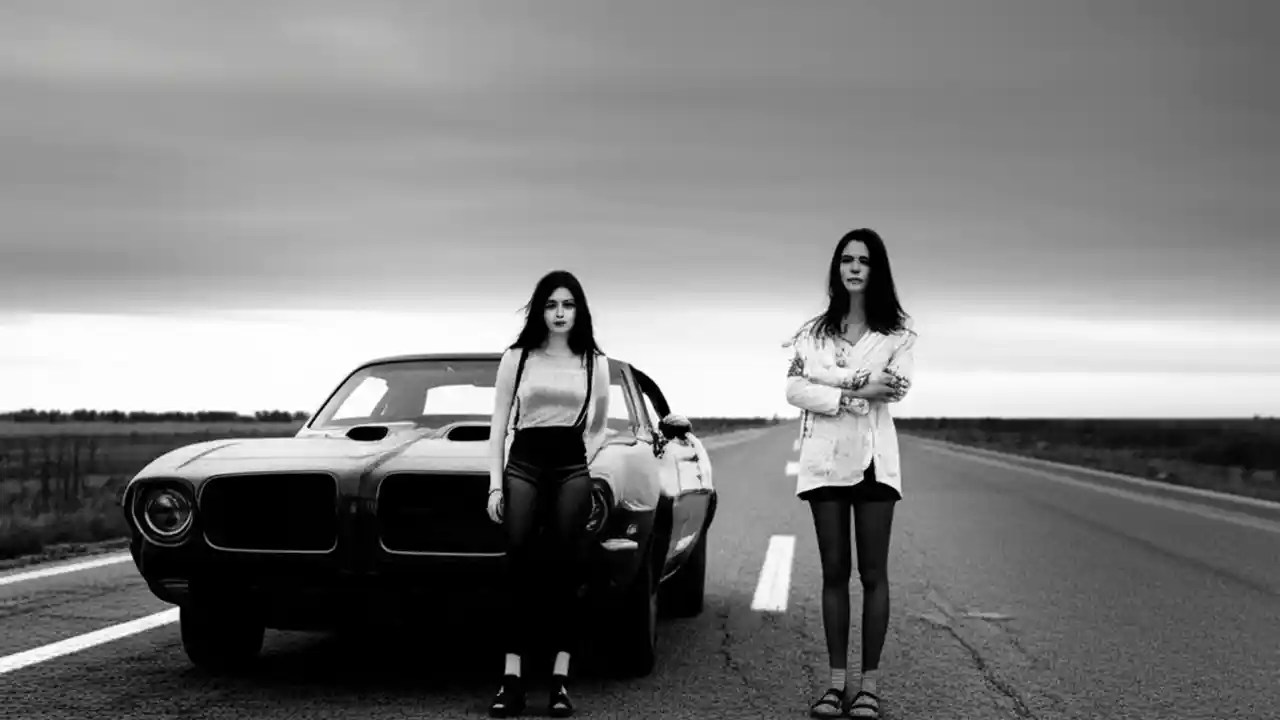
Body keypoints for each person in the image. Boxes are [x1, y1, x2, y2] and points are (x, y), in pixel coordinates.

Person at [782, 228, 916, 719]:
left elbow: (896, 386)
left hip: (875, 462)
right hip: (824, 462)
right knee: (834, 573)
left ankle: (869, 687)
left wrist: (828, 379)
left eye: (863, 260)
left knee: (873, 574)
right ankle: (836, 686)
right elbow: (794, 389)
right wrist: (851, 389)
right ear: (837, 269)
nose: (854, 267)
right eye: (846, 260)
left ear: (876, 269)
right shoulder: (812, 333)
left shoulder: (899, 335)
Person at [485, 269, 610, 718]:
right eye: (552, 305)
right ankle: (511, 680)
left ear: (579, 311)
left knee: (566, 569)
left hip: (571, 465)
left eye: (568, 305)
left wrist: (584, 463)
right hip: (523, 463)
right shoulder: (517, 357)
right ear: (540, 309)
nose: (560, 313)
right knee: (516, 566)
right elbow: (499, 424)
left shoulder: (595, 361)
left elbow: (598, 425)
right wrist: (495, 484)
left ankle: (559, 681)